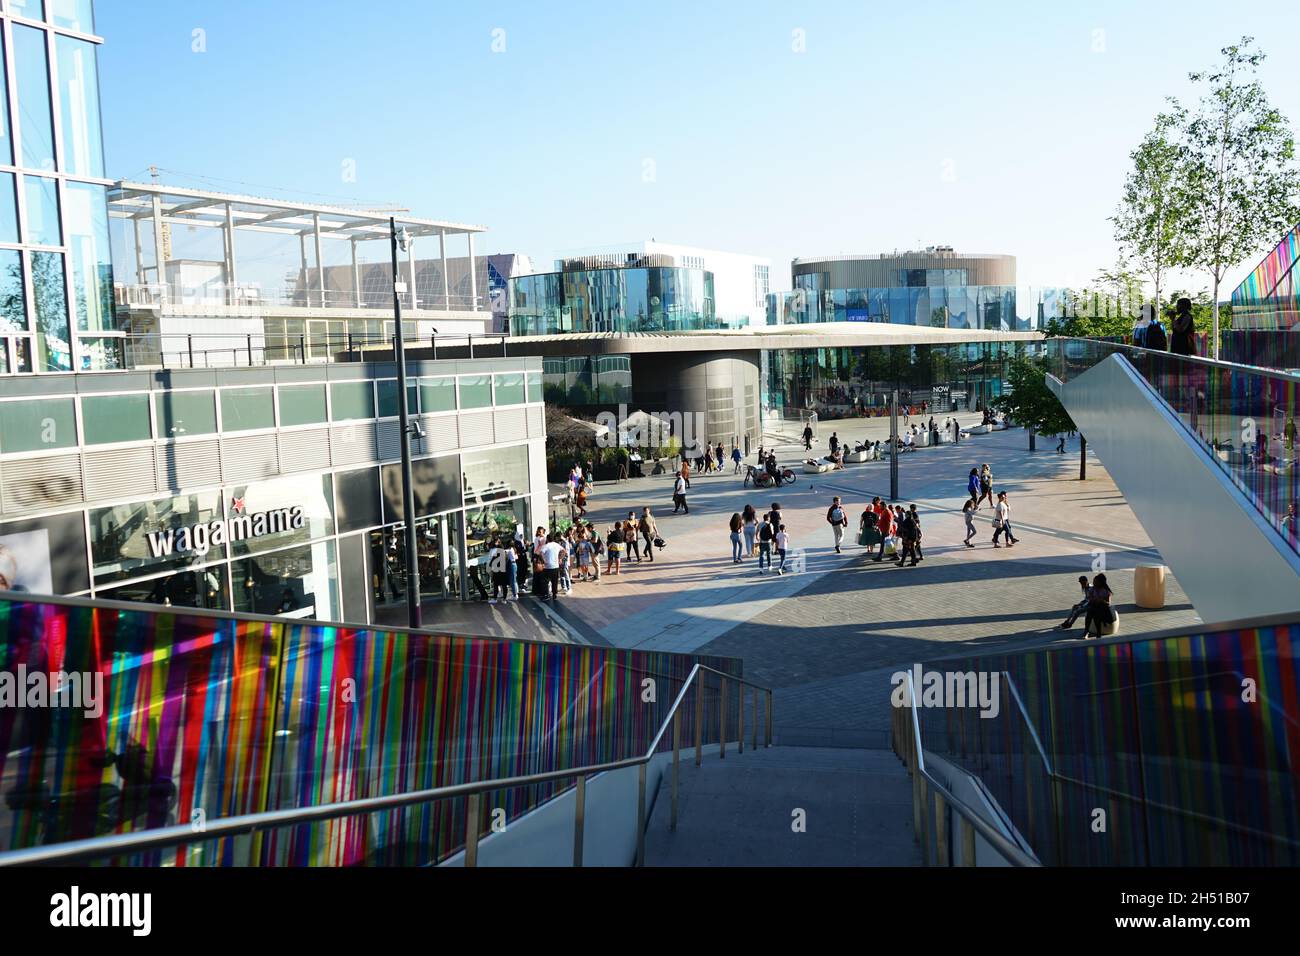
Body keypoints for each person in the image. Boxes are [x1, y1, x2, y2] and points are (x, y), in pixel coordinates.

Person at [1083, 573, 1115, 637]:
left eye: (1096, 582)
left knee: (1093, 612)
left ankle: (1088, 631)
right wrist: (1094, 599)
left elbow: (1108, 603)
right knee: (1092, 612)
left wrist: (1101, 600)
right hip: (1095, 608)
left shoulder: (1106, 591)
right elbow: (1089, 598)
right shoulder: (1092, 589)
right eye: (1094, 581)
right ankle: (1095, 632)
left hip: (1104, 610)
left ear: (1100, 583)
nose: (1094, 583)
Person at [540, 533, 564, 601]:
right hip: (556, 566)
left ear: (547, 539)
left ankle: (546, 595)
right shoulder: (557, 545)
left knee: (544, 581)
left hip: (548, 566)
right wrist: (560, 558)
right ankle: (554, 595)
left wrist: (544, 561)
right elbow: (563, 551)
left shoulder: (546, 546)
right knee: (555, 581)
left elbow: (540, 553)